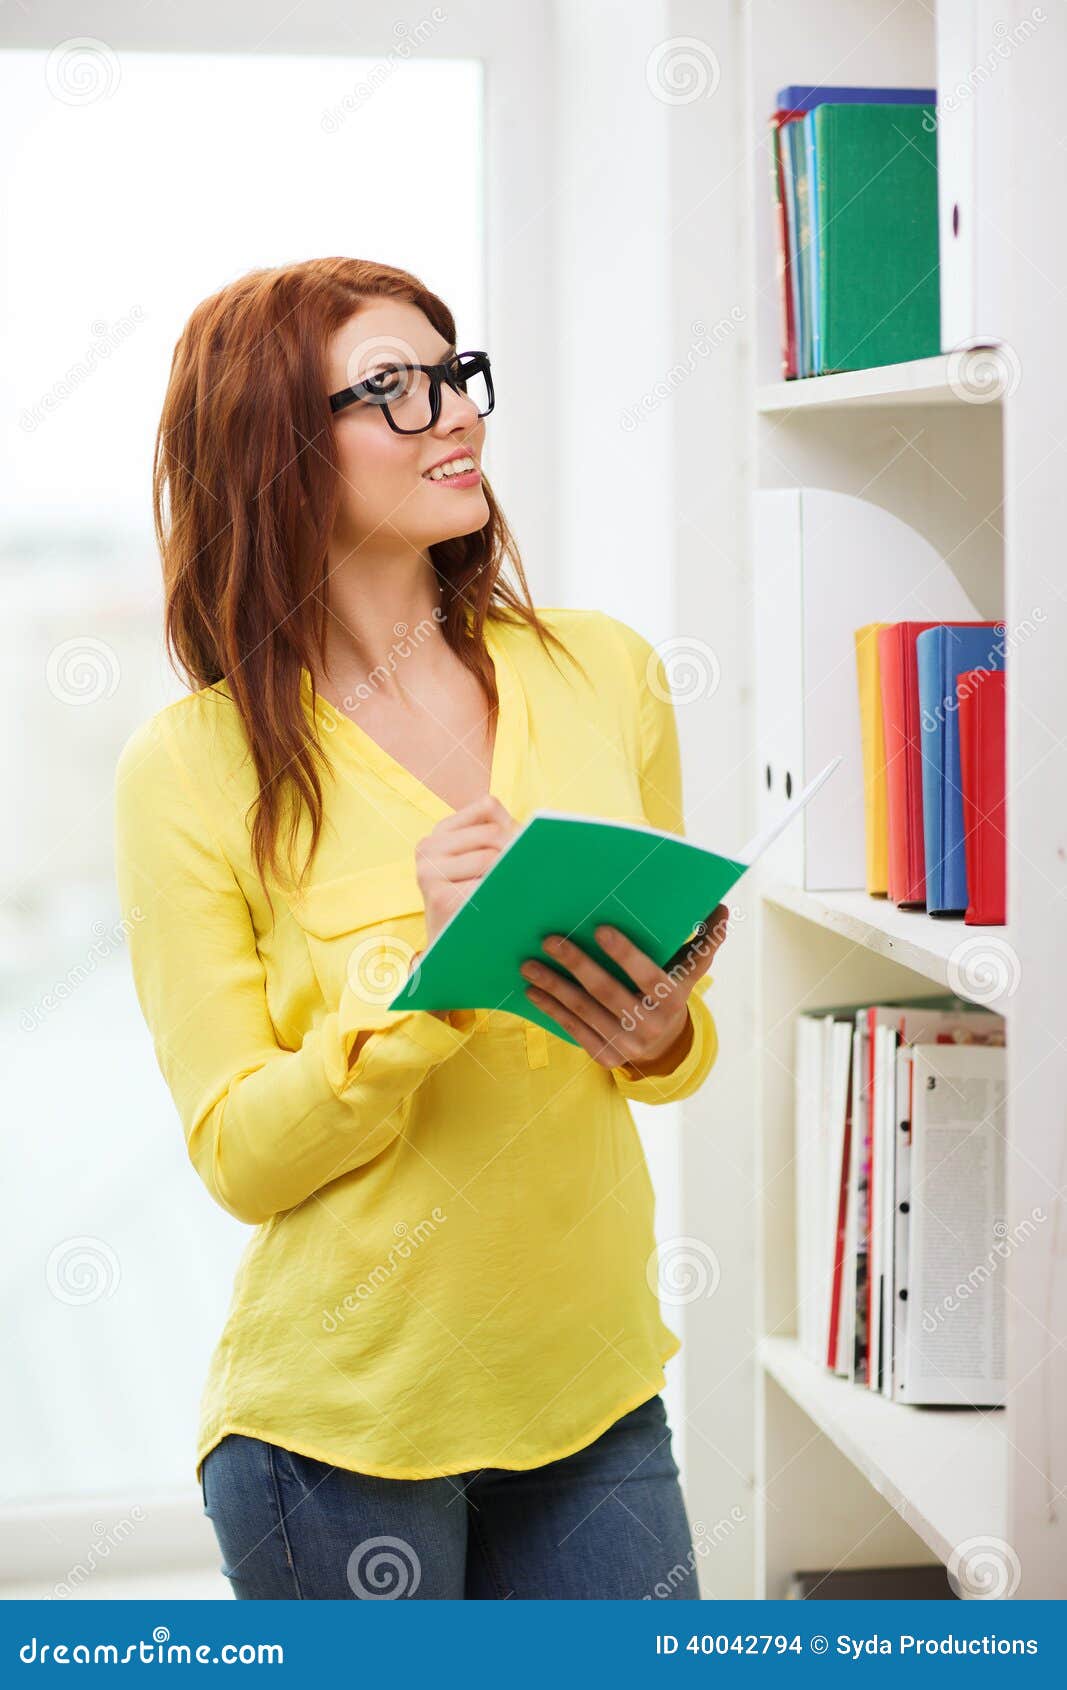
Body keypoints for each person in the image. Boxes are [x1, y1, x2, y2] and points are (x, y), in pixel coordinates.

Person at [113, 256, 729, 1599]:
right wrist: (422, 995)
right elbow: (236, 1152)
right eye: (390, 389)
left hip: (595, 1388)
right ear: (274, 449)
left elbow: (664, 1046)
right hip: (335, 1438)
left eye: (453, 374)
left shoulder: (603, 671)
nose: (452, 412)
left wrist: (666, 1024)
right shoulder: (193, 766)